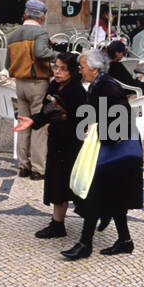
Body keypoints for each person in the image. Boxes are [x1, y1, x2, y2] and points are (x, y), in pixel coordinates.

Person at [57, 48, 144, 259]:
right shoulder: (99, 85)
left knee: (95, 195)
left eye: (82, 67)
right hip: (114, 155)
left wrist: (95, 127)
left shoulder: (107, 89)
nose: (80, 70)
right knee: (114, 199)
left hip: (116, 154)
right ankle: (125, 241)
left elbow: (118, 127)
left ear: (95, 69)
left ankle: (85, 244)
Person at [13, 52, 85, 238]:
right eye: (56, 67)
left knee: (72, 185)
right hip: (56, 144)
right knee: (56, 184)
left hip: (70, 145)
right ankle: (57, 224)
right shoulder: (54, 85)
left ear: (72, 71)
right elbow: (47, 111)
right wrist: (36, 121)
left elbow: (78, 121)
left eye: (63, 69)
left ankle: (92, 219)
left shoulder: (76, 91)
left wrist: (51, 123)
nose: (58, 71)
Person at [7, 0, 57, 178]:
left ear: (25, 15)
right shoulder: (41, 33)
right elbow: (40, 52)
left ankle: (23, 166)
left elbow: (7, 63)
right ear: (42, 17)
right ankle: (37, 168)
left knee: (23, 123)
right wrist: (58, 56)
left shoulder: (13, 35)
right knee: (38, 123)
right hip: (37, 83)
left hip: (19, 83)